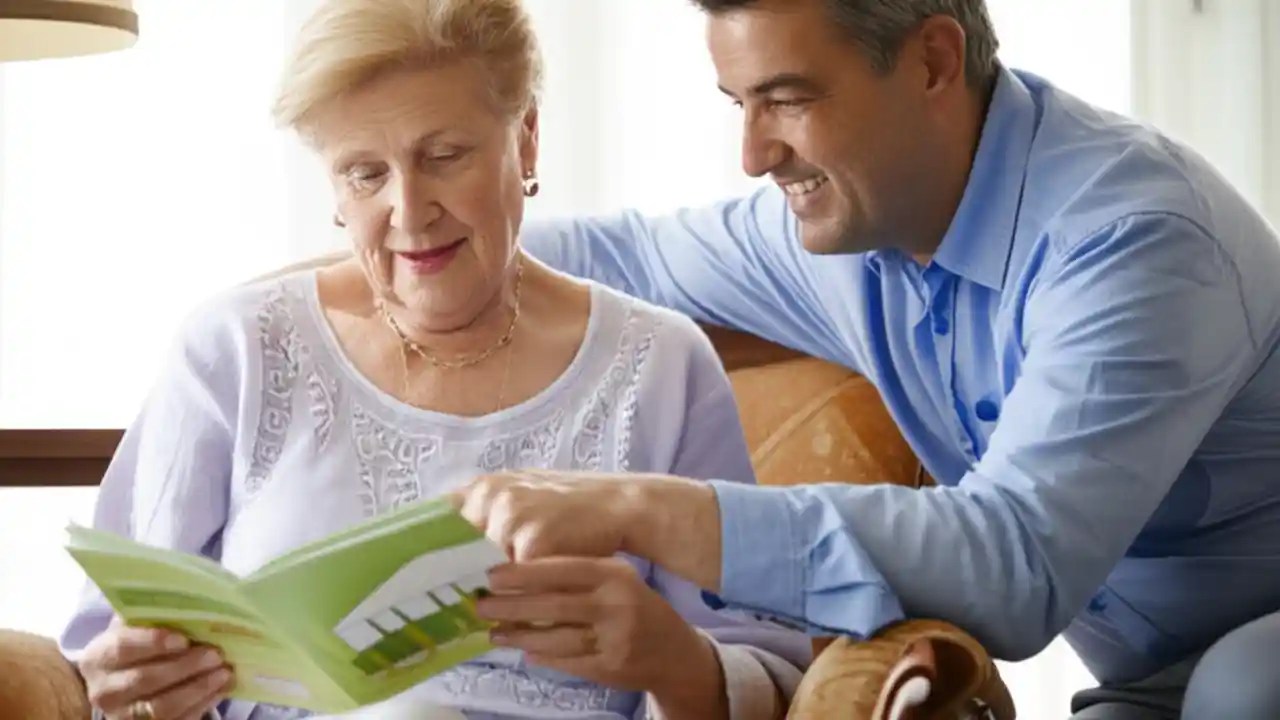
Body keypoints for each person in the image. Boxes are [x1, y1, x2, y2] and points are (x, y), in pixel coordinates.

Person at [454, 0, 1280, 718]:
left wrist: (643, 509)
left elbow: (1015, 564)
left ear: (932, 61)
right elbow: (626, 257)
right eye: (739, 102)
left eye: (788, 99)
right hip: (1151, 686)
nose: (753, 153)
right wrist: (374, 260)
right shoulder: (850, 224)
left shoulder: (1131, 239)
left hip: (1244, 670)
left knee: (1245, 688)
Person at [57, 1, 810, 719]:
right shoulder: (235, 350)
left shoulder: (660, 367)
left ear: (526, 140)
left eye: (444, 156)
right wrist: (134, 690)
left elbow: (767, 678)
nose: (410, 212)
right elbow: (102, 662)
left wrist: (670, 655)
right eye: (365, 174)